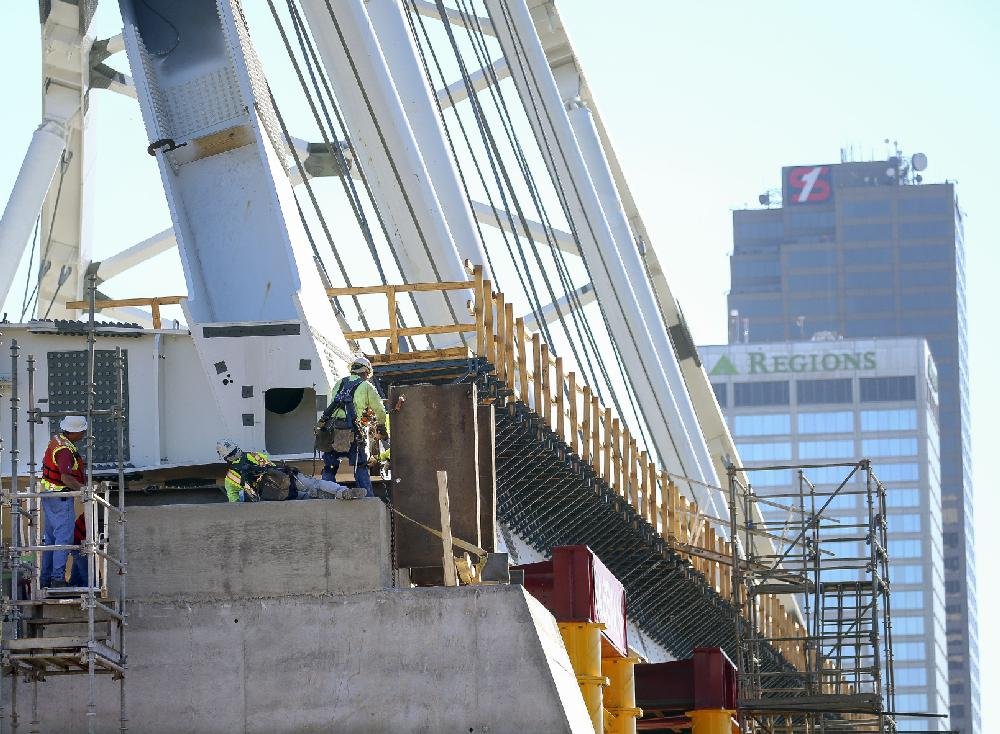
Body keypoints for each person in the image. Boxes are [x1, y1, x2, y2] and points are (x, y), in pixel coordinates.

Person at [318, 355, 388, 497]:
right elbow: (380, 410)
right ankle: (367, 499)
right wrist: (381, 427)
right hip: (353, 432)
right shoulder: (366, 386)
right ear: (366, 372)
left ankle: (326, 496)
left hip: (332, 431)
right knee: (360, 466)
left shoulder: (339, 383)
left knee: (330, 466)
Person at [215, 439, 363, 502]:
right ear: (236, 448)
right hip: (286, 478)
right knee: (315, 485)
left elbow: (234, 503)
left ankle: (336, 499)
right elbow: (270, 467)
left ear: (225, 458)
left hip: (272, 496)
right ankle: (342, 492)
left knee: (308, 497)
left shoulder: (230, 479)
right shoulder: (254, 455)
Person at [39, 415, 88, 589]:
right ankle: (57, 578)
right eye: (82, 431)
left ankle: (45, 579)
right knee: (64, 538)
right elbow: (66, 478)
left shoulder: (57, 441)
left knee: (51, 540)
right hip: (61, 498)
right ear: (74, 432)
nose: (83, 434)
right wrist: (83, 490)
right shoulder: (65, 451)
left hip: (50, 497)